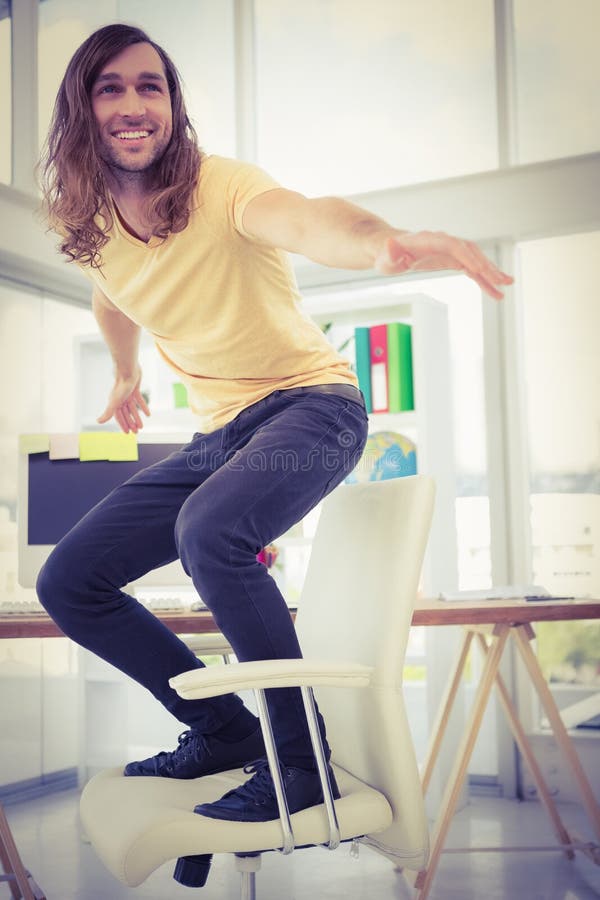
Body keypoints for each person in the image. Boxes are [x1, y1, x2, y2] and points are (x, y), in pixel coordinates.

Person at [37, 23, 513, 823]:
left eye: (151, 86)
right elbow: (109, 293)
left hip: (314, 408)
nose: (133, 104)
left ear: (172, 105)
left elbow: (309, 218)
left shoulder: (221, 187)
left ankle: (302, 765)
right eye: (110, 88)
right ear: (82, 110)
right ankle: (223, 730)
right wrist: (125, 369)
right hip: (221, 436)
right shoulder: (90, 226)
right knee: (68, 581)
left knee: (208, 532)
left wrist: (381, 241)